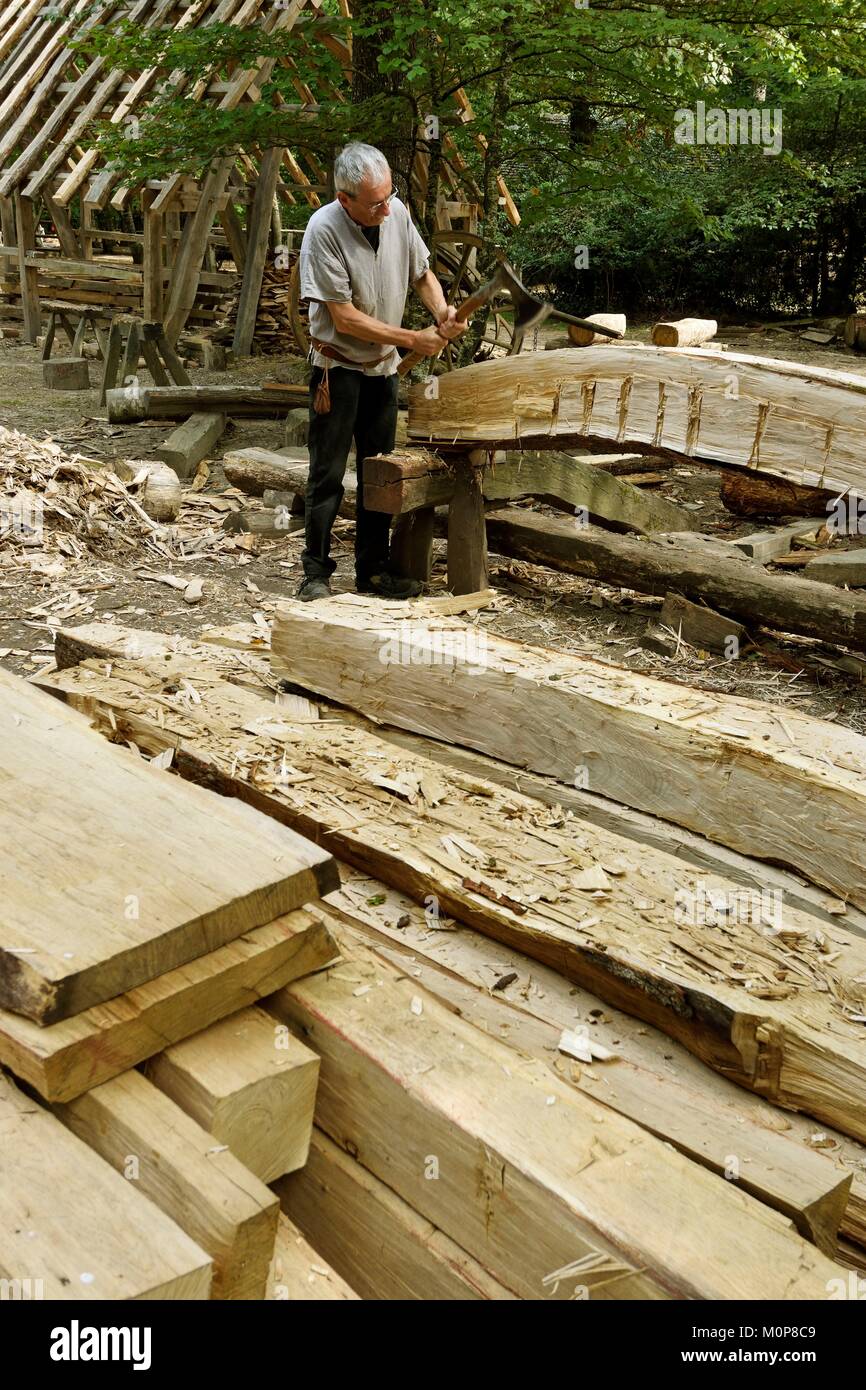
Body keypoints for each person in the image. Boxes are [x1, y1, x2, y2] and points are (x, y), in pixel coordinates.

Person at [297, 141, 467, 601]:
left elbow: (422, 273)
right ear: (344, 199)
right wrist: (414, 339)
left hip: (382, 370)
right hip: (338, 368)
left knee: (380, 473)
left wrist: (442, 313)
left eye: (389, 197)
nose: (386, 210)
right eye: (375, 203)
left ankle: (371, 571)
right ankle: (315, 573)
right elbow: (344, 318)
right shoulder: (322, 230)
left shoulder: (397, 213)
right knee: (328, 473)